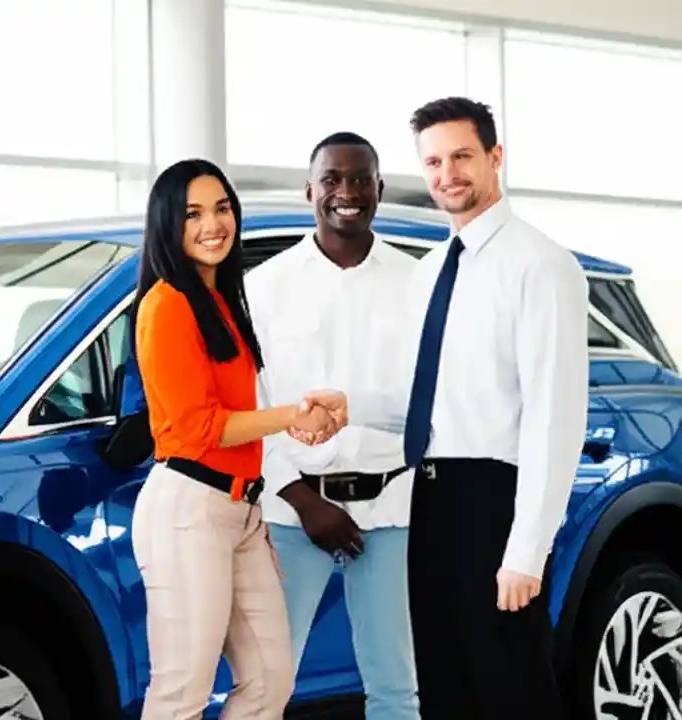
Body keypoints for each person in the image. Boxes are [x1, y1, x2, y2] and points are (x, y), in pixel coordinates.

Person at [307, 97, 587, 718]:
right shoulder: (431, 269)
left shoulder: (541, 265)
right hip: (430, 500)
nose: (447, 174)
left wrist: (526, 550)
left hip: (495, 501)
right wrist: (351, 406)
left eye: (462, 156)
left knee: (509, 688)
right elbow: (423, 398)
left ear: (495, 157)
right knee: (444, 685)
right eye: (433, 161)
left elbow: (554, 417)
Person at [130, 157, 346, 720]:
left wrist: (302, 416)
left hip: (240, 508)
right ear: (167, 225)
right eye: (193, 213)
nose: (213, 224)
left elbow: (239, 412)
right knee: (182, 692)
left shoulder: (221, 300)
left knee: (271, 679)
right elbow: (204, 427)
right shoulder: (167, 304)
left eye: (222, 208)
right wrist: (291, 416)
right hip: (188, 510)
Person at [245, 132, 419, 719]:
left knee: (396, 688)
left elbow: (429, 398)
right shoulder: (263, 286)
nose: (346, 192)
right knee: (267, 685)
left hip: (393, 508)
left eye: (359, 179)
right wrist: (300, 500)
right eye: (332, 180)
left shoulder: (414, 282)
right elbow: (252, 405)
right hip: (294, 513)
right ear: (310, 190)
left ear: (379, 189)